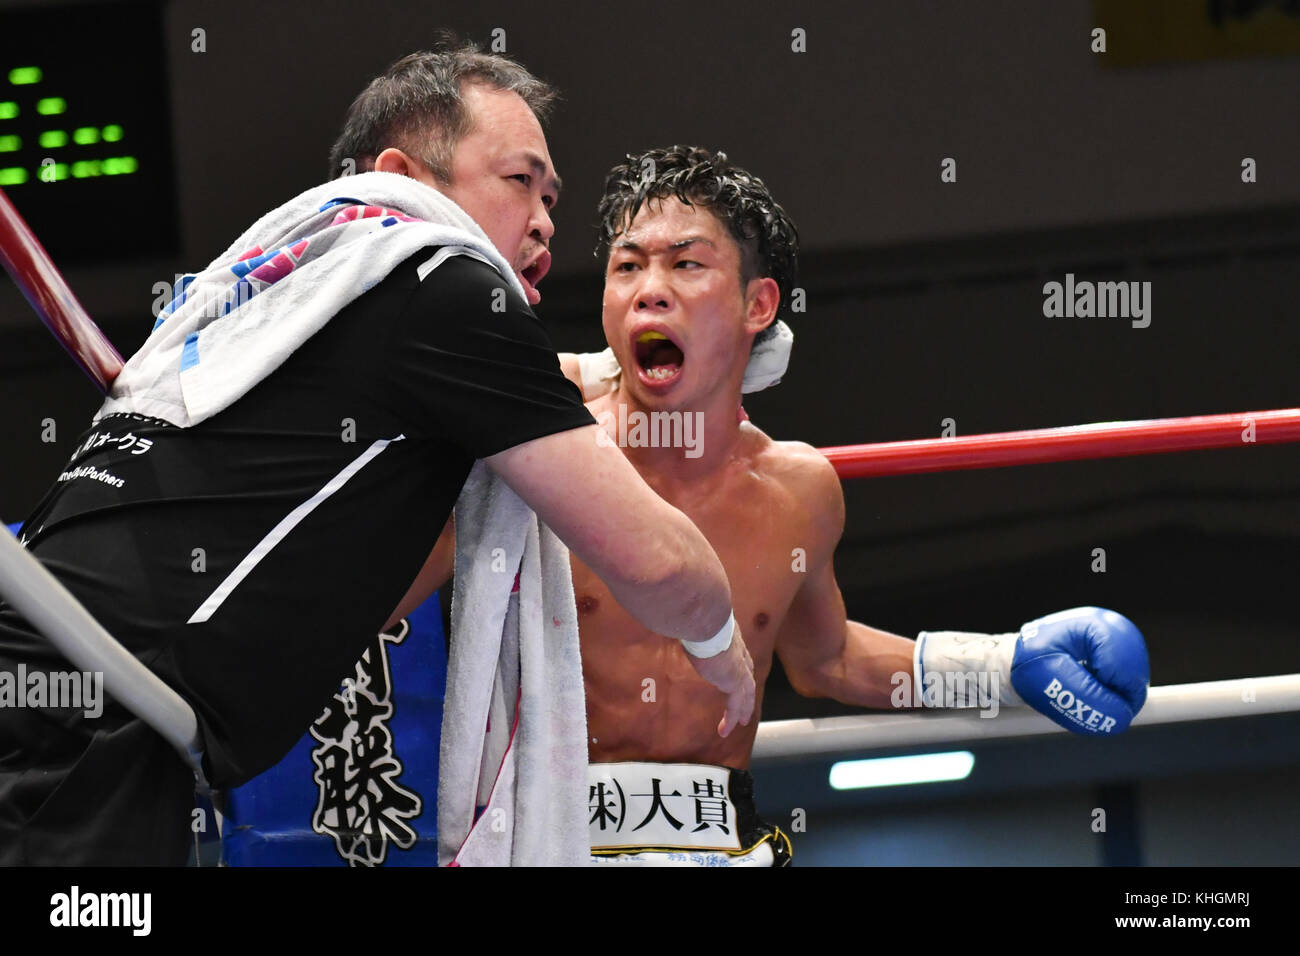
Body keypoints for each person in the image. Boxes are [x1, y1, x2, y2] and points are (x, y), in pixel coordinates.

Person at [0, 51, 754, 866]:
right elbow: (658, 560)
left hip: (67, 691)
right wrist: (725, 650)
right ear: (402, 176)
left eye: (551, 198)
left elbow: (355, 597)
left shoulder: (269, 297)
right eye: (519, 181)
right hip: (79, 719)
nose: (543, 220)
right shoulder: (443, 281)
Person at [559, 146, 1150, 866]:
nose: (650, 290)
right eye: (627, 266)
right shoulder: (545, 456)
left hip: (718, 841)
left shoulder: (797, 490)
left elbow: (826, 657)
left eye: (686, 264)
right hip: (541, 834)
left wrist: (1000, 666)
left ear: (759, 305)